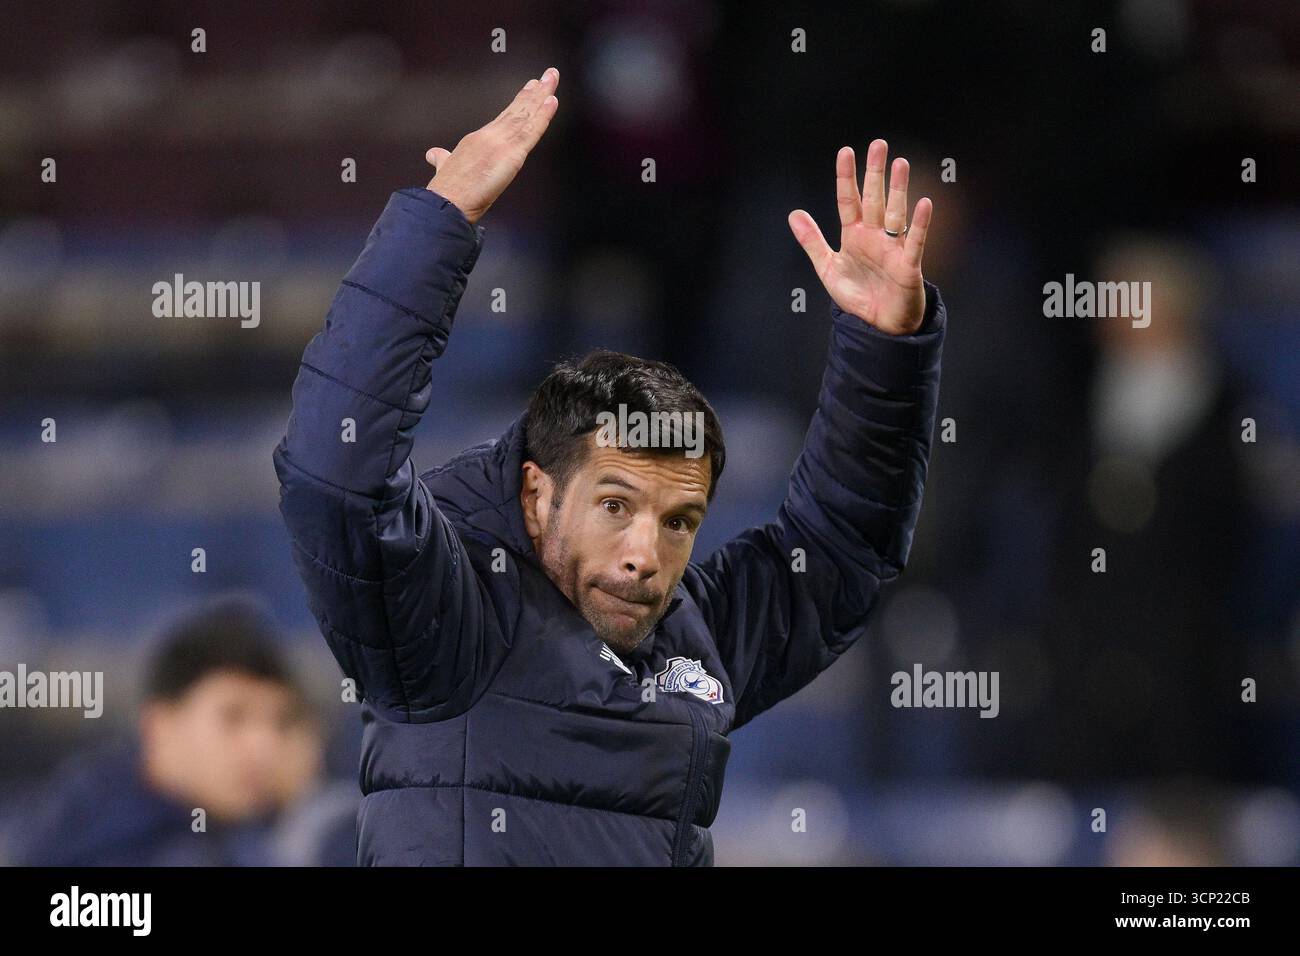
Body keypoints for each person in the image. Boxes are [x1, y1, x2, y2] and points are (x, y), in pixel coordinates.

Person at [273, 66, 948, 865]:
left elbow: (841, 548)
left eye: (679, 521)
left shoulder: (695, 635)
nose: (644, 554)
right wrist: (438, 223)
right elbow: (333, 476)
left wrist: (881, 349)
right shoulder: (445, 618)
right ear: (537, 493)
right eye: (616, 506)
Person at [9, 597, 311, 866]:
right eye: (233, 717)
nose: (264, 747)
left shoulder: (247, 836)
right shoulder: (78, 835)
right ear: (160, 726)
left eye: (280, 723)